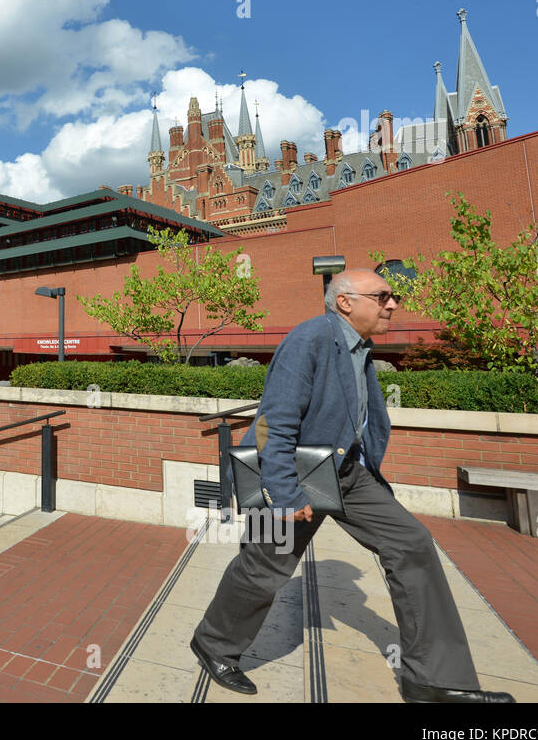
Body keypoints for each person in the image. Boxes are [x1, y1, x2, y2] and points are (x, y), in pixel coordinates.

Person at [190, 268, 513, 704]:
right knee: (263, 568)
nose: (392, 304)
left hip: (346, 473)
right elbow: (275, 423)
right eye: (382, 297)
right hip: (293, 474)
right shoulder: (310, 339)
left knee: (412, 543)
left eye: (391, 297)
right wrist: (285, 496)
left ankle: (431, 679)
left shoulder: (358, 346)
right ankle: (213, 645)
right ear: (345, 301)